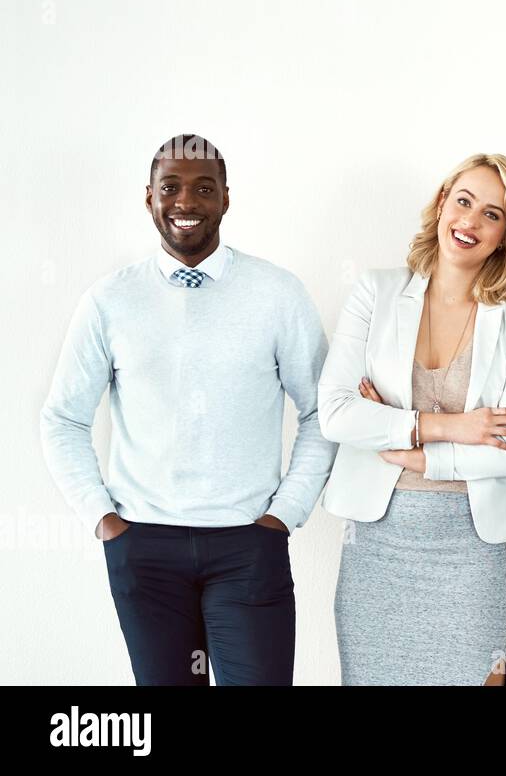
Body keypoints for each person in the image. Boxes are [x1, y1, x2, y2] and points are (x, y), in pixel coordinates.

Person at [40, 133, 336, 685]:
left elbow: (323, 413)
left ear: (226, 198)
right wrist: (103, 521)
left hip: (247, 545)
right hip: (144, 549)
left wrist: (281, 517)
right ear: (149, 198)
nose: (186, 202)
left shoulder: (277, 293)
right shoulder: (110, 300)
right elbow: (63, 419)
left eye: (204, 187)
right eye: (170, 187)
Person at [318, 153, 506, 686]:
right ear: (442, 202)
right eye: (463, 201)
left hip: (474, 552)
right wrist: (448, 427)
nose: (470, 221)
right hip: (377, 550)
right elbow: (335, 413)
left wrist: (406, 446)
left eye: (492, 214)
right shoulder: (375, 292)